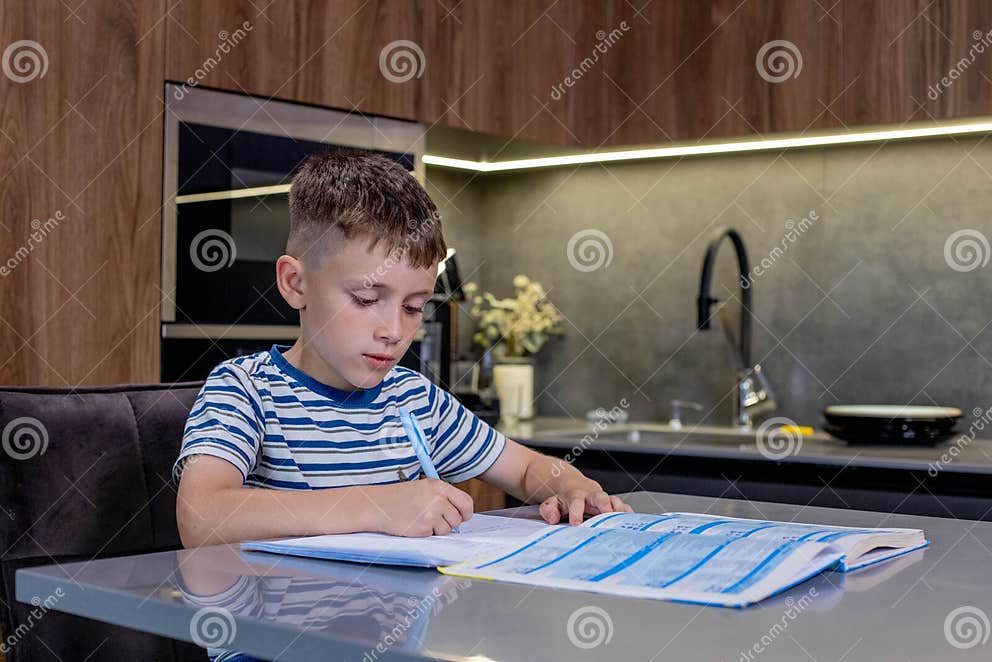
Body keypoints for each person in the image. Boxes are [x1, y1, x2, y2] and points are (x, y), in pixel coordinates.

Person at [172, 149, 634, 662]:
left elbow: (526, 469)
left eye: (414, 306)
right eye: (367, 298)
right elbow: (201, 515)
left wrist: (572, 487)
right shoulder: (245, 391)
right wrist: (377, 505)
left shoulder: (413, 399)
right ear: (295, 283)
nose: (394, 330)